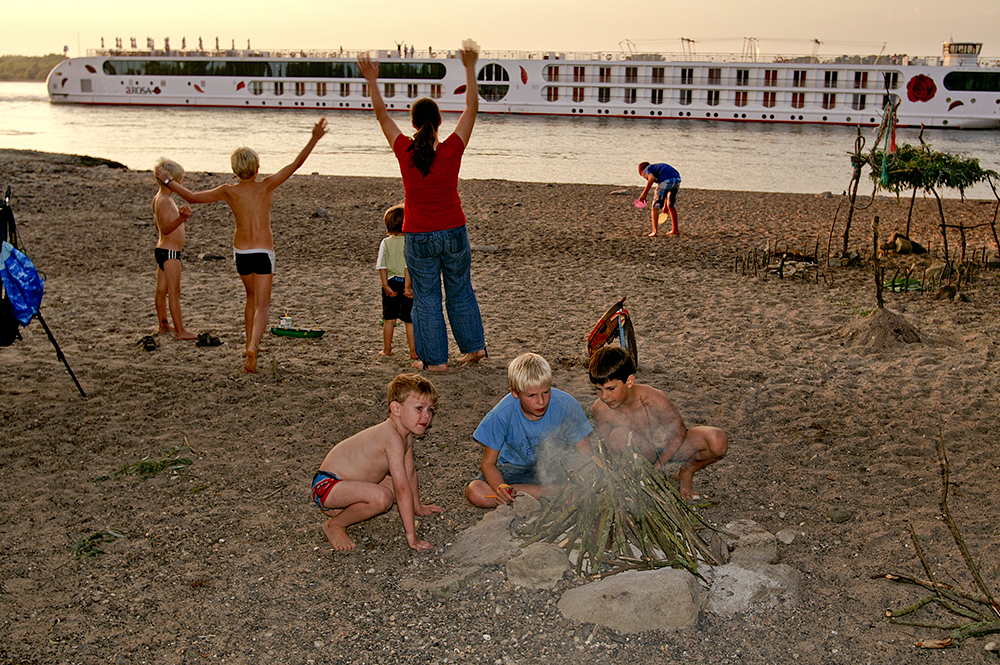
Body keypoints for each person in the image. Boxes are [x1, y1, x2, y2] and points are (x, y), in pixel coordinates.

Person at [156, 118, 328, 372]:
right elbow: (296, 164)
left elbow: (192, 197)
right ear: (257, 168)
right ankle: (253, 346)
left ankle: (249, 342)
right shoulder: (266, 185)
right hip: (263, 251)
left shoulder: (229, 190)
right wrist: (314, 138)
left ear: (234, 170)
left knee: (250, 297)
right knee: (263, 304)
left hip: (242, 252)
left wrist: (167, 181)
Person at [357, 44, 486, 373]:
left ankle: (436, 362)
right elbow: (472, 107)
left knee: (427, 298)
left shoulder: (405, 150)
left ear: (413, 123)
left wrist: (372, 80)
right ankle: (474, 349)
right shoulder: (452, 149)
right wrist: (469, 67)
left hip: (419, 235)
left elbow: (381, 115)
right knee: (460, 290)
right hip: (454, 231)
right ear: (440, 122)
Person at [311, 374, 445, 551]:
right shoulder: (391, 436)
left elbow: (410, 473)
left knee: (398, 491)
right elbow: (402, 487)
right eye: (419, 408)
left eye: (430, 410)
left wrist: (417, 507)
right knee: (383, 498)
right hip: (327, 486)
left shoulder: (405, 435)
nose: (426, 416)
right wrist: (412, 537)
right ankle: (335, 525)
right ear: (396, 409)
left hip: (346, 486)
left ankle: (342, 511)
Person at [589, 346, 727, 500]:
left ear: (629, 381)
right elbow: (606, 446)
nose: (604, 396)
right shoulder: (600, 409)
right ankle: (638, 478)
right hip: (641, 454)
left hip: (671, 447)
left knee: (717, 441)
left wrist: (658, 467)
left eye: (610, 389)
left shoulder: (654, 399)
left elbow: (680, 432)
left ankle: (686, 472)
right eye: (598, 389)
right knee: (618, 436)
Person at [465, 353, 593, 508]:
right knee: (476, 491)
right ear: (515, 393)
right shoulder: (501, 414)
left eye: (546, 392)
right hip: (518, 470)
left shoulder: (566, 405)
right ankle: (553, 493)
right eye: (531, 395)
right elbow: (488, 463)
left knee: (588, 477)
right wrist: (501, 488)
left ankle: (524, 495)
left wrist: (577, 480)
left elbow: (586, 453)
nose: (541, 401)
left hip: (557, 466)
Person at [151, 158, 197, 340]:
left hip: (163, 249)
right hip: (170, 253)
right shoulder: (165, 201)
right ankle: (180, 331)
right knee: (174, 292)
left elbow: (158, 226)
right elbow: (165, 228)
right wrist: (181, 218)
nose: (181, 182)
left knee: (162, 291)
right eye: (180, 179)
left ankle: (163, 324)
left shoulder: (159, 198)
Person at [376, 204, 416, 359]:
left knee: (389, 319)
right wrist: (407, 287)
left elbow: (382, 266)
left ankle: (387, 349)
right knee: (409, 320)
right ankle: (413, 352)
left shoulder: (385, 243)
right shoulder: (408, 242)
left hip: (391, 282)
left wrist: (385, 285)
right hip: (406, 282)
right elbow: (407, 266)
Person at [637, 161, 682, 237]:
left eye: (643, 176)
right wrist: (665, 206)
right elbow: (666, 190)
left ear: (641, 171)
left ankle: (654, 231)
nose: (645, 177)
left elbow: (651, 179)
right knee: (671, 205)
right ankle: (675, 230)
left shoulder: (646, 170)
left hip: (666, 181)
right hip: (677, 180)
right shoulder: (657, 169)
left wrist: (644, 194)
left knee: (655, 206)